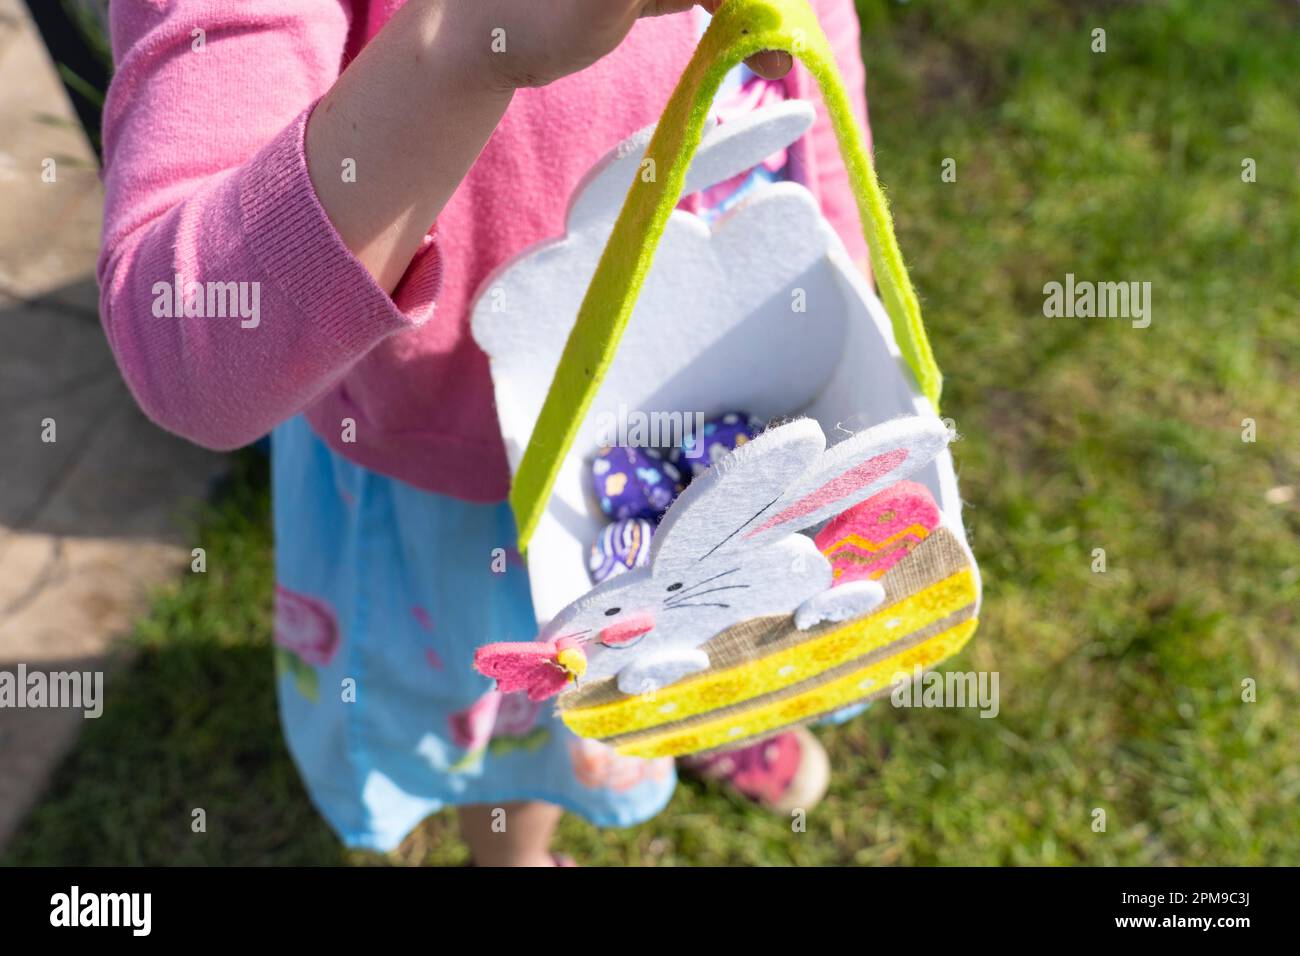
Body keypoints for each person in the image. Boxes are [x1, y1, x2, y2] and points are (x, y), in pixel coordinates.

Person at [98, 0, 873, 865]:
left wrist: (844, 278)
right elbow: (186, 347)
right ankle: (510, 849)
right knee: (519, 714)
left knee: (697, 614)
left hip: (717, 399)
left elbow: (816, 40)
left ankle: (698, 703)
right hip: (465, 467)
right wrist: (467, 45)